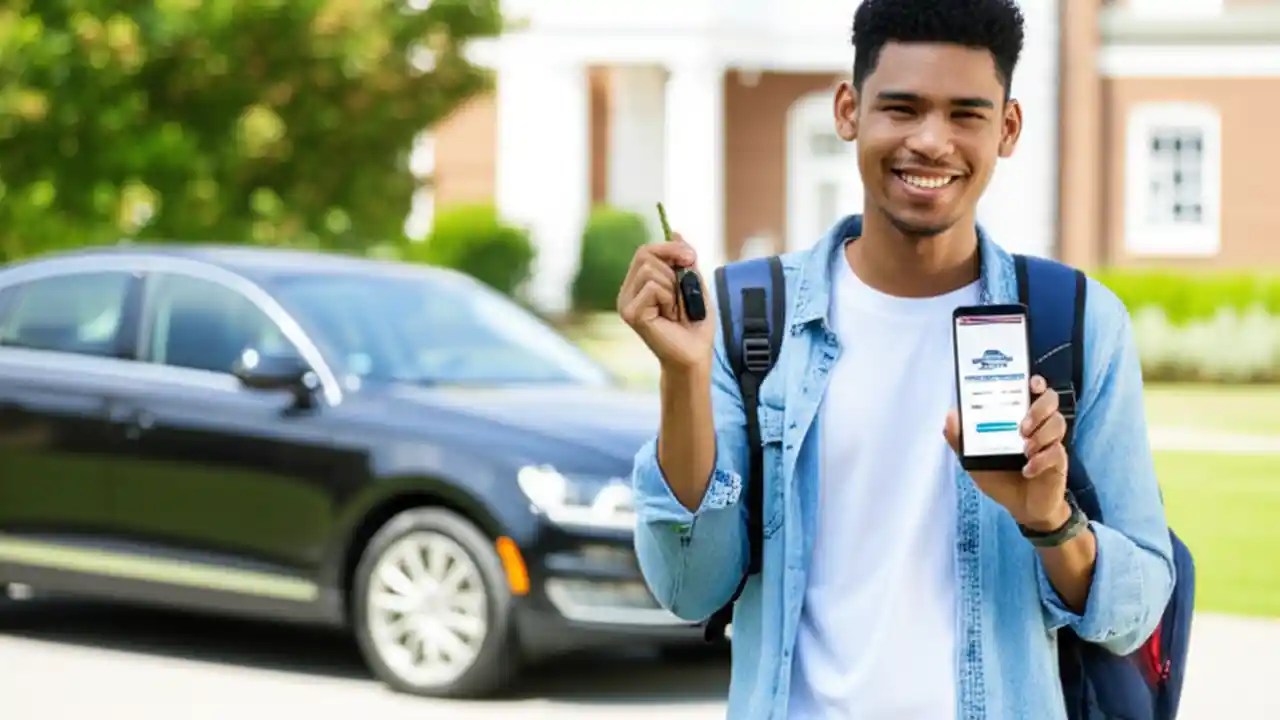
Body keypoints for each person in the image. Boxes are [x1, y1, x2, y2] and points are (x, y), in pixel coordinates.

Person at [616, 0, 1176, 718]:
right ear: (849, 110)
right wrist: (682, 375)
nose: (931, 141)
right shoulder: (750, 317)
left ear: (1007, 129)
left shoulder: (1075, 322)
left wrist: (1050, 521)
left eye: (966, 114)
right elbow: (690, 585)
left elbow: (1135, 611)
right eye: (902, 108)